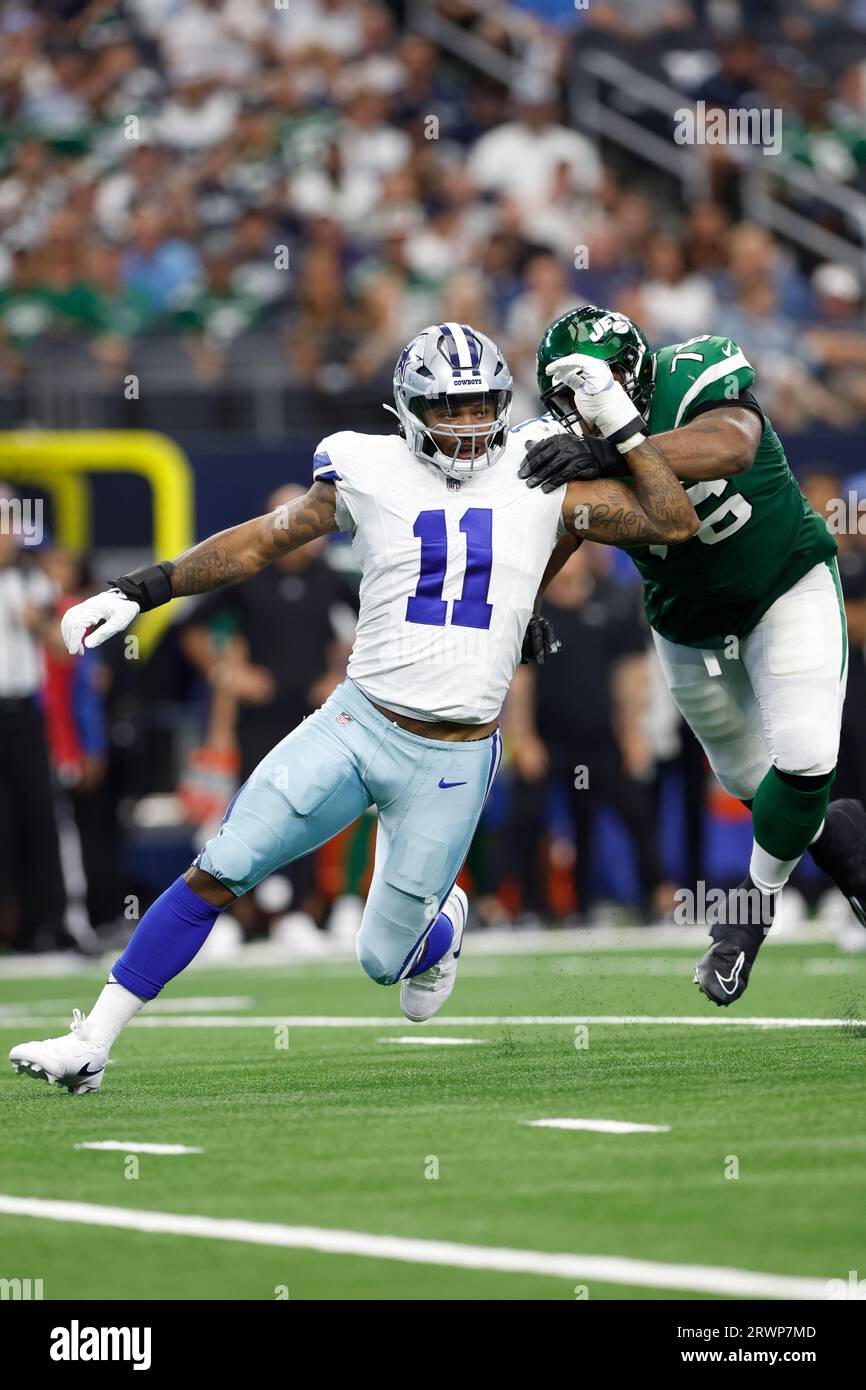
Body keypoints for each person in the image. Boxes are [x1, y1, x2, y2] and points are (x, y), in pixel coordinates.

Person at [9, 321, 698, 1094]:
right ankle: (92, 1041)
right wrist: (142, 588)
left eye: (481, 407)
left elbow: (674, 522)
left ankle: (441, 927)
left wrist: (622, 427)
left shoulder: (541, 467)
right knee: (223, 865)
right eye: (449, 408)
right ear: (409, 409)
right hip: (356, 723)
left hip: (454, 753)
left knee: (381, 961)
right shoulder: (366, 465)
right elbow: (263, 541)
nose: (468, 426)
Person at [521, 305, 864, 1005]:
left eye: (601, 385)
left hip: (782, 583)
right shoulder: (572, 449)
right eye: (571, 399)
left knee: (802, 759)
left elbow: (734, 443)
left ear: (637, 374)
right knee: (754, 786)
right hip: (688, 623)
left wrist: (615, 447)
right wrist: (522, 604)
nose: (584, 410)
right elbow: (563, 527)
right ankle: (848, 843)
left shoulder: (692, 376)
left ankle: (748, 920)